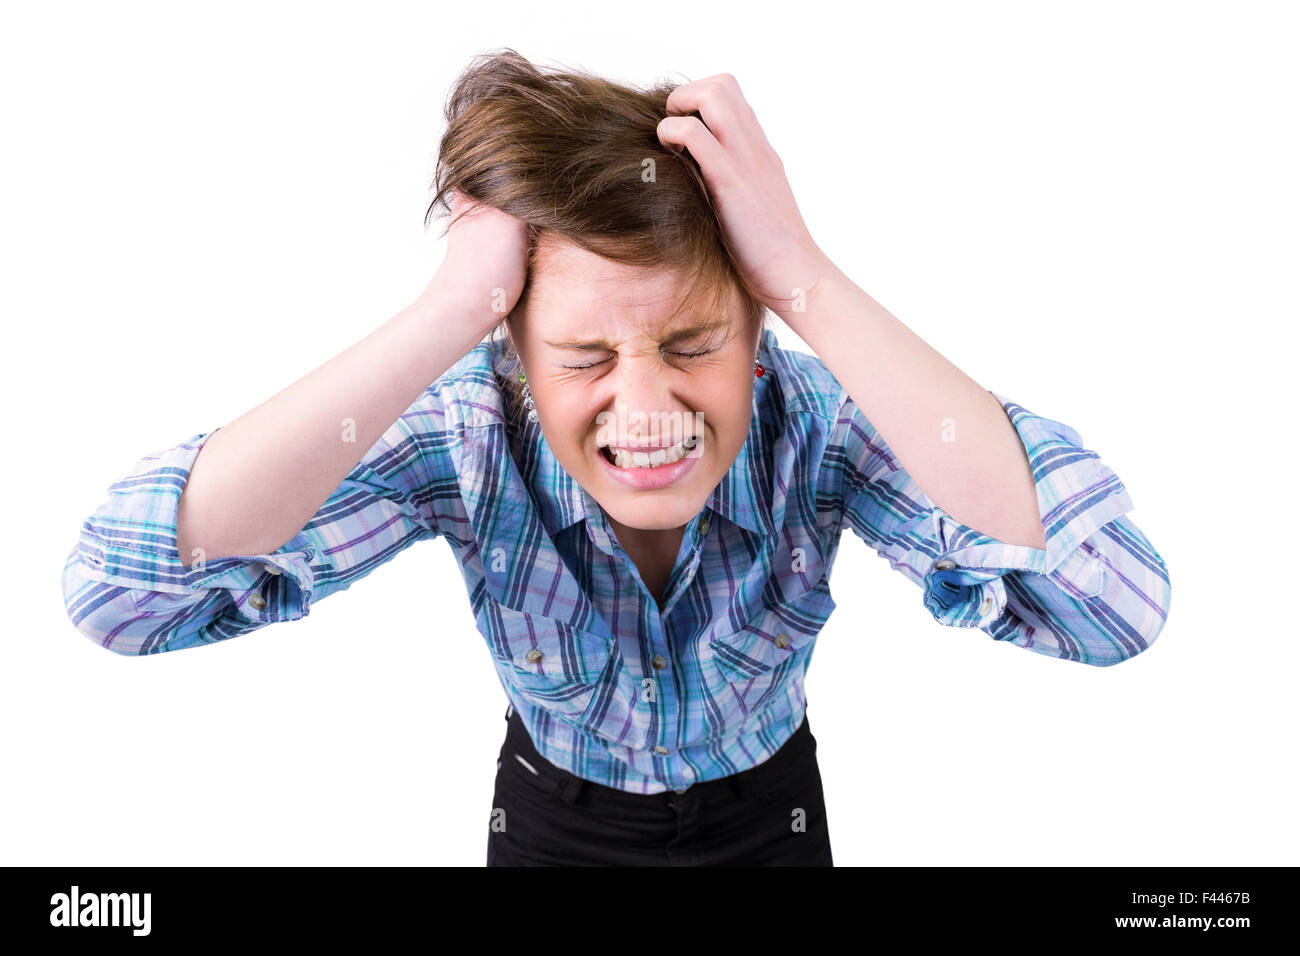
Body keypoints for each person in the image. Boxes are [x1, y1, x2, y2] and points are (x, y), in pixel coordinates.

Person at [61, 50, 1172, 866]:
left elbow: (1108, 599)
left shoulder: (820, 417)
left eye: (692, 343)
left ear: (756, 333)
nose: (645, 409)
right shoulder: (465, 432)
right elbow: (119, 590)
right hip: (553, 825)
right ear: (512, 355)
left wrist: (806, 279)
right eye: (583, 354)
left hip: (770, 819)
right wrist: (451, 307)